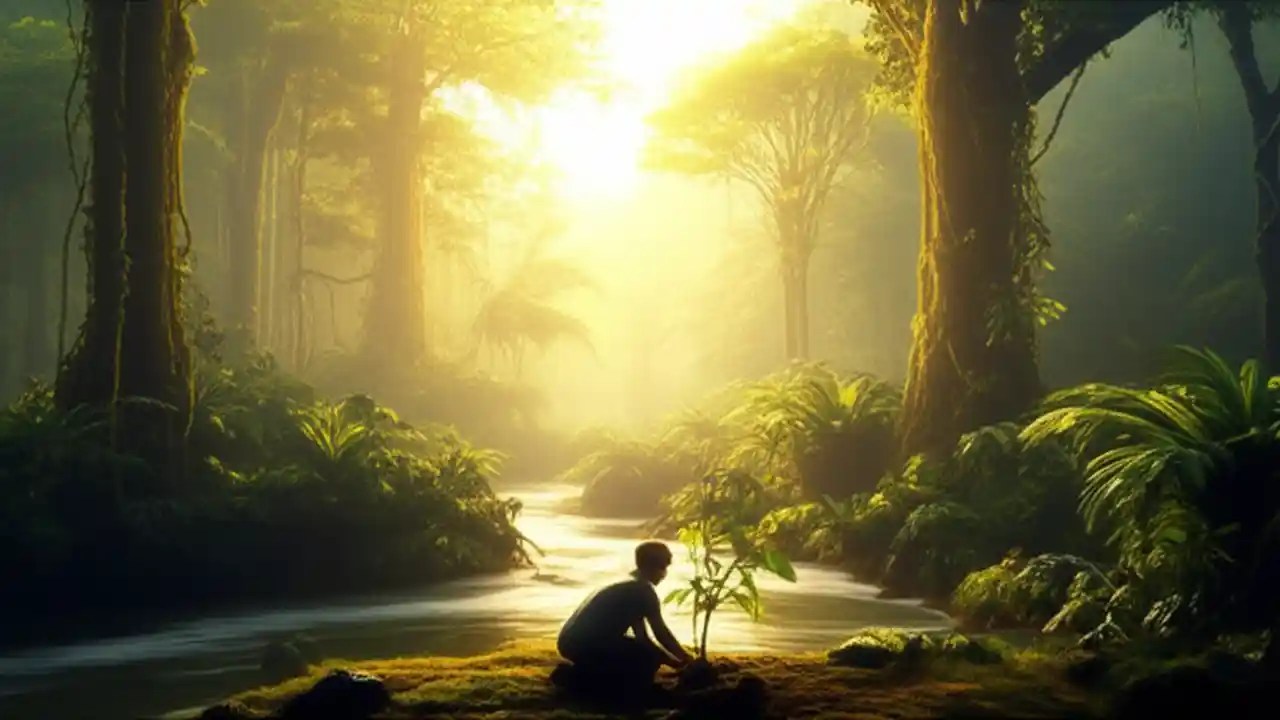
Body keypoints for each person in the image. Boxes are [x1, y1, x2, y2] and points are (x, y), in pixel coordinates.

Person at [556, 540, 694, 689]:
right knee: (645, 658)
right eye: (663, 567)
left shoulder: (629, 583)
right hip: (585, 644)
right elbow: (660, 633)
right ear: (649, 565)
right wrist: (683, 661)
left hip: (569, 642)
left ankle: (584, 675)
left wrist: (677, 661)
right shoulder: (643, 591)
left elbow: (642, 637)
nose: (664, 574)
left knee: (644, 653)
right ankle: (583, 681)